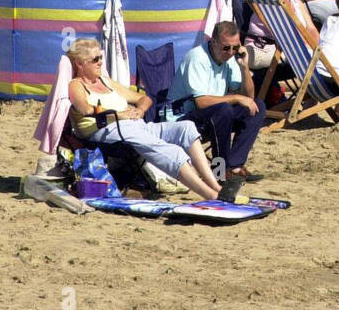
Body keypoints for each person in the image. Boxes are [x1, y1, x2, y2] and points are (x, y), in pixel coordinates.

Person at [65, 38, 226, 201]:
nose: (100, 62)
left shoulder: (105, 81)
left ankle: (215, 185)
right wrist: (118, 114)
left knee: (186, 128)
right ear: (79, 64)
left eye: (100, 57)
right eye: (95, 59)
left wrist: (140, 110)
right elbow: (84, 109)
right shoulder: (76, 85)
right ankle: (211, 195)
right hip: (105, 131)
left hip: (134, 125)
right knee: (172, 151)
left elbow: (145, 99)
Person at [171, 21, 266, 187]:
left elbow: (248, 97)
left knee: (257, 107)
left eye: (234, 48)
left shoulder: (230, 58)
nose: (230, 52)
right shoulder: (197, 58)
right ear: (213, 41)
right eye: (226, 48)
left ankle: (235, 166)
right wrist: (236, 98)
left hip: (214, 115)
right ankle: (220, 172)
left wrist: (244, 68)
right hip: (182, 119)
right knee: (223, 110)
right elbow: (201, 102)